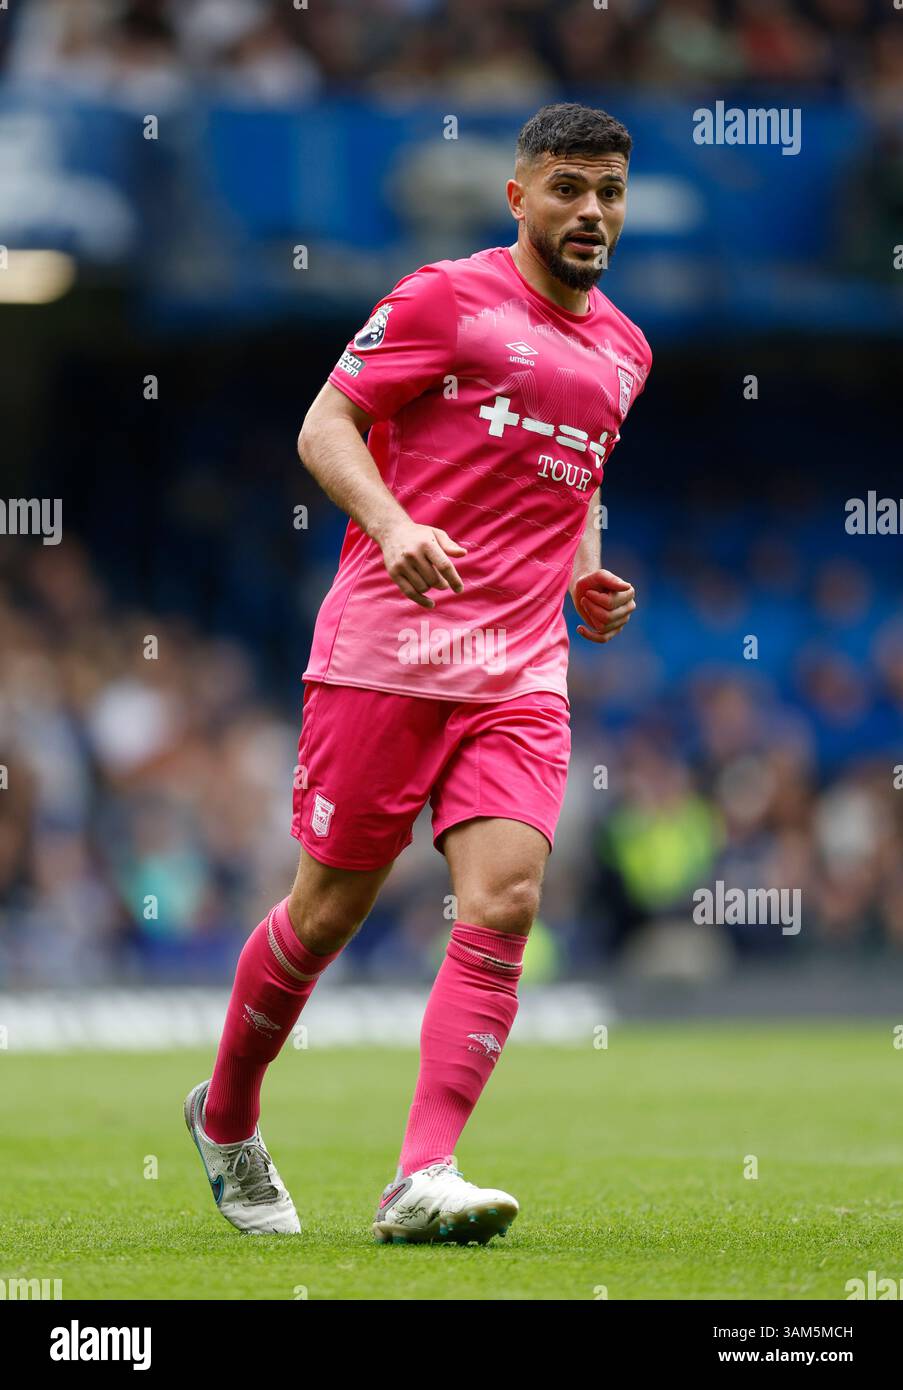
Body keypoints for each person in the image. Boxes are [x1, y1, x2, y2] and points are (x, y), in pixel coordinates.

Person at [185, 101, 652, 1243]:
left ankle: (422, 1173)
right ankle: (227, 1112)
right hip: (392, 647)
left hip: (521, 668)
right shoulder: (446, 296)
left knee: (505, 901)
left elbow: (573, 476)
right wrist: (393, 525)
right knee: (329, 908)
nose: (590, 212)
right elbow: (327, 425)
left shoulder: (628, 349)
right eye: (568, 189)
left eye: (608, 193)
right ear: (519, 197)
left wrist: (587, 571)